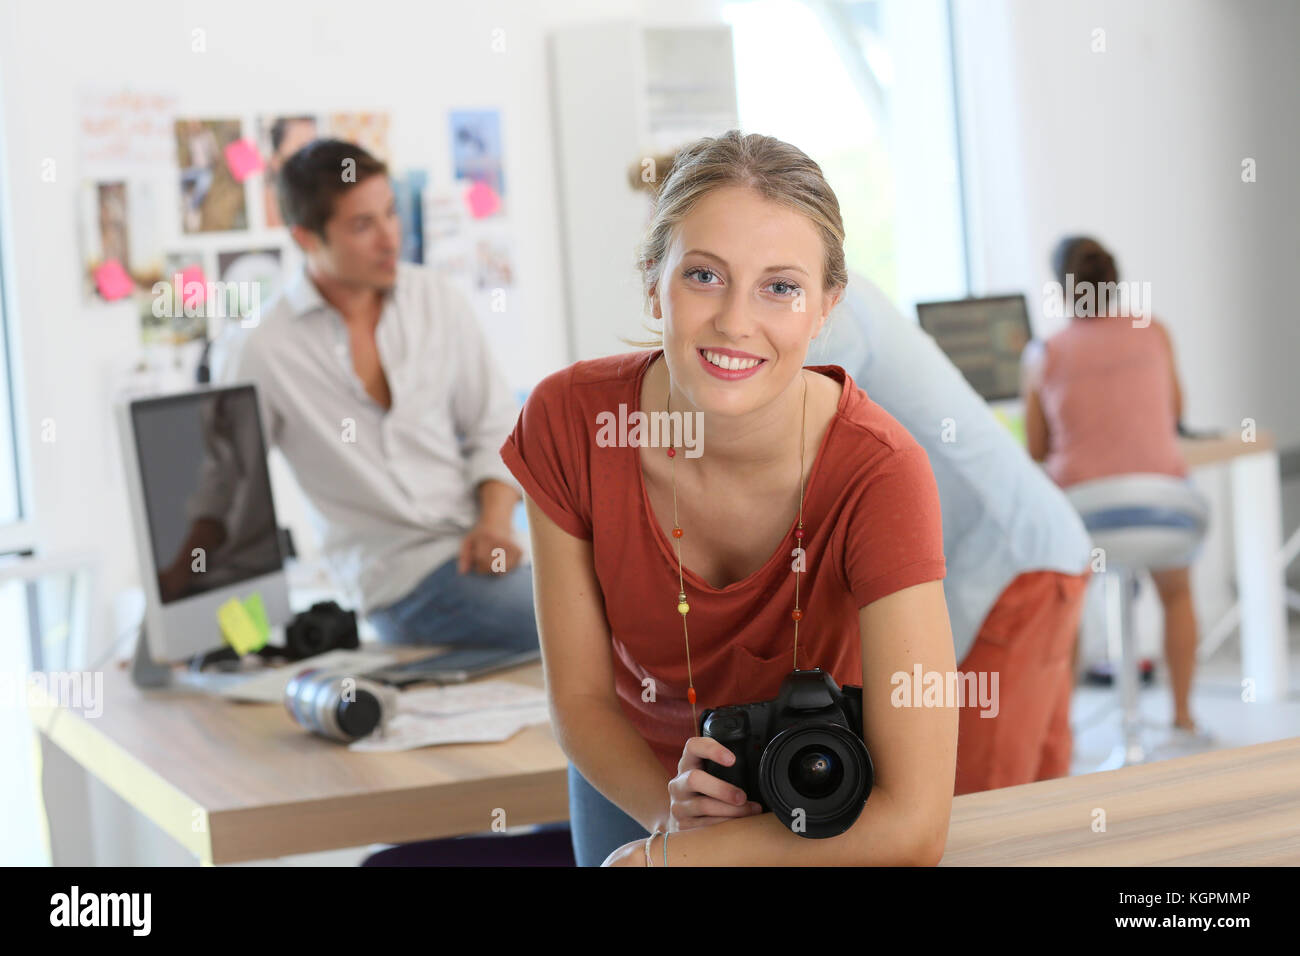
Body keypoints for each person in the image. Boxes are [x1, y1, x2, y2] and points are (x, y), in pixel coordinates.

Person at [502, 131, 957, 866]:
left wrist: (674, 860)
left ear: (825, 306)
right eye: (705, 277)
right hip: (632, 769)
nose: (736, 322)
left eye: (780, 287)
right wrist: (667, 826)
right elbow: (581, 701)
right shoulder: (569, 422)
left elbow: (915, 825)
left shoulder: (882, 473)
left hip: (809, 800)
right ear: (654, 281)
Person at [631, 149, 1096, 797]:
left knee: (975, 804)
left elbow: (784, 464)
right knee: (1038, 802)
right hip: (1034, 543)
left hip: (1007, 559)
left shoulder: (818, 319)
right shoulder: (806, 302)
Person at [212, 139, 536, 652]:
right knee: (580, 626)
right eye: (362, 226)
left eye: (390, 213)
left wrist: (496, 523)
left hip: (482, 554)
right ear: (305, 238)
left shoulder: (436, 300)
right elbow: (229, 500)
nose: (390, 239)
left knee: (622, 595)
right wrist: (223, 637)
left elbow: (496, 424)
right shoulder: (262, 349)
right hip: (399, 581)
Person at [1022, 235, 1208, 745]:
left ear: (1063, 288)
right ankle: (1184, 718)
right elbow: (1174, 412)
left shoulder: (1046, 354)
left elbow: (1036, 448)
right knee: (1176, 593)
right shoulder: (1154, 333)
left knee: (1066, 605)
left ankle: (1062, 736)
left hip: (1088, 521)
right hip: (1164, 510)